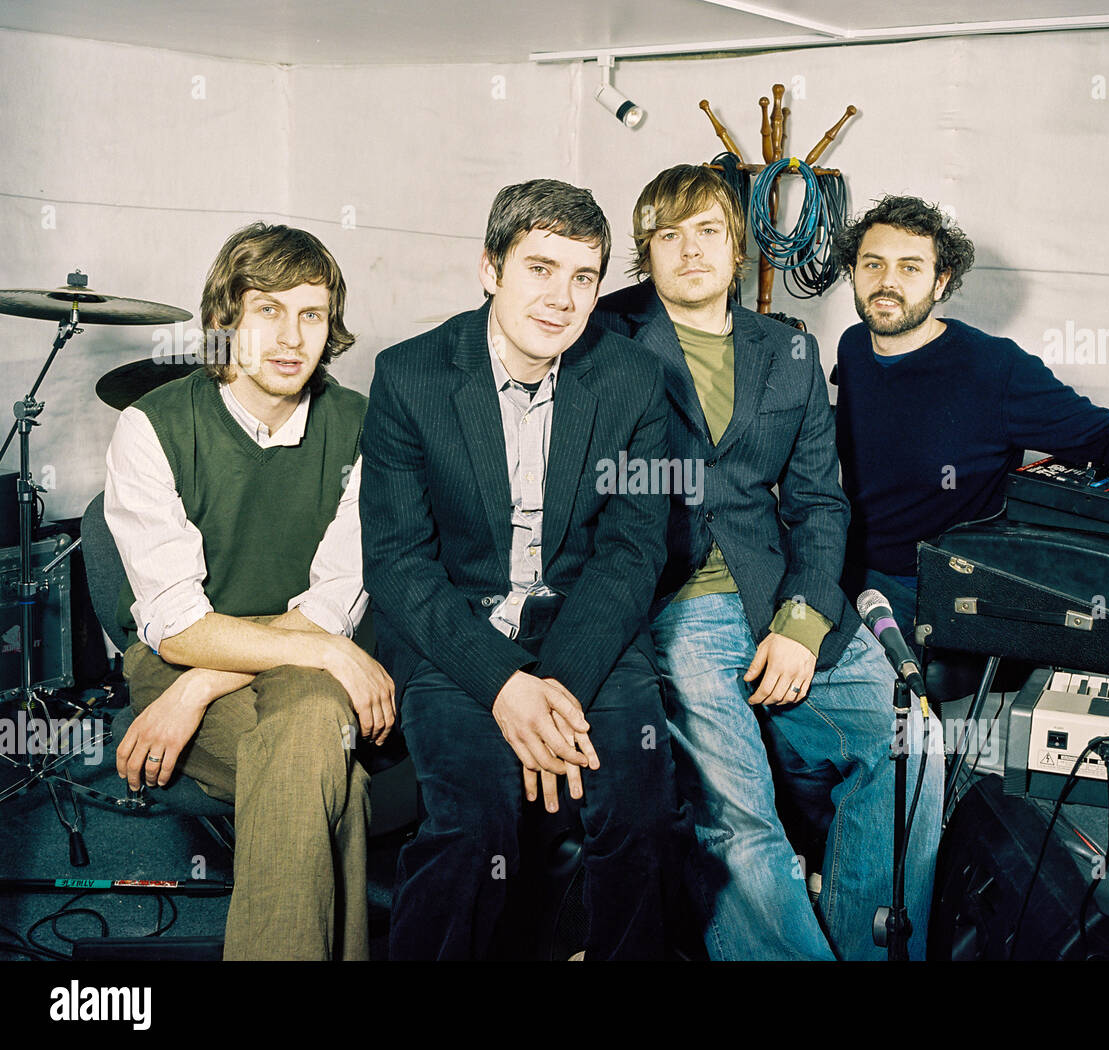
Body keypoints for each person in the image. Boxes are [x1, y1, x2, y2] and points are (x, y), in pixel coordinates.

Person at [594, 164, 940, 961]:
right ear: (645, 250)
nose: (689, 251)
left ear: (738, 245)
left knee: (911, 741)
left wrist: (803, 618)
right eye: (667, 236)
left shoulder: (787, 348)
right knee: (741, 813)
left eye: (708, 232)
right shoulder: (600, 333)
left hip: (779, 591)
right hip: (669, 599)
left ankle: (871, 951)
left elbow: (822, 505)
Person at [360, 178, 684, 960]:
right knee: (475, 823)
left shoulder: (635, 381)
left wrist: (558, 691)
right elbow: (398, 564)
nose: (562, 299)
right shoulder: (411, 376)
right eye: (540, 268)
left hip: (586, 624)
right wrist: (506, 687)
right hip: (456, 627)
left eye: (583, 277)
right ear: (489, 269)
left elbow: (632, 550)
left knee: (641, 809)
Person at [106, 222, 393, 961]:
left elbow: (330, 605)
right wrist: (194, 673)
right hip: (182, 662)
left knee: (313, 751)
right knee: (335, 774)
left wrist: (197, 690)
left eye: (312, 314)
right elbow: (177, 626)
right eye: (267, 309)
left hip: (287, 664)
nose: (291, 336)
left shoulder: (364, 428)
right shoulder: (152, 428)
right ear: (224, 319)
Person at [832, 195, 1109, 636]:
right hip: (845, 566)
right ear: (853, 272)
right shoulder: (854, 346)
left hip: (926, 587)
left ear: (941, 282)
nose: (888, 282)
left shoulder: (993, 369)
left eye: (910, 267)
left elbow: (1104, 433)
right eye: (873, 264)